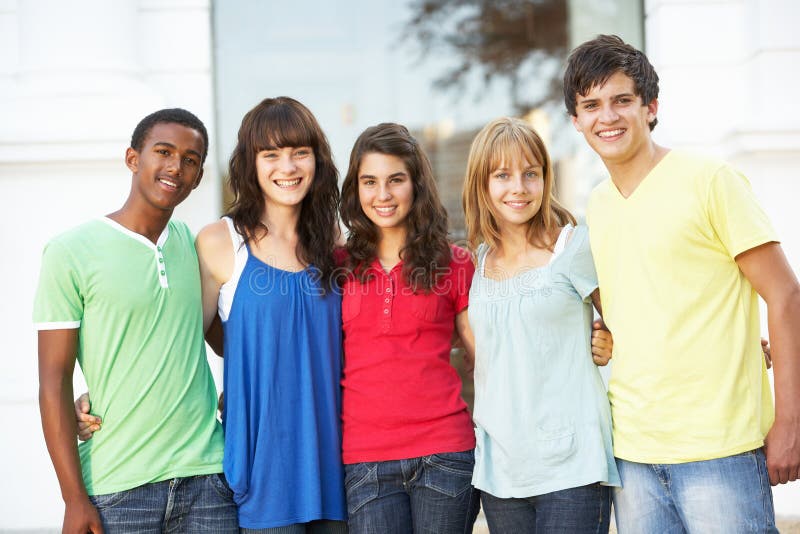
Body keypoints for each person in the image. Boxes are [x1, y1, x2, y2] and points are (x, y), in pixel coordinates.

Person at [564, 34, 800, 532]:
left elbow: (785, 295)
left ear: (650, 107)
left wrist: (790, 421)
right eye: (591, 105)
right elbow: (643, 302)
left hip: (721, 449)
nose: (607, 117)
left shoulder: (711, 180)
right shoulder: (598, 205)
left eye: (621, 100)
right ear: (576, 121)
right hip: (632, 454)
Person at [34, 108, 237, 533]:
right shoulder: (70, 252)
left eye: (191, 159)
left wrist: (244, 391)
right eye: (163, 152)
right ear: (132, 158)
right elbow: (53, 382)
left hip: (207, 480)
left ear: (199, 177)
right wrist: (73, 498)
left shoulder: (192, 244)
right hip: (119, 489)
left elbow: (223, 338)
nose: (175, 167)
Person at [193, 97, 347, 532]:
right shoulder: (220, 242)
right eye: (271, 154)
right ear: (250, 163)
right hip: (264, 471)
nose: (288, 166)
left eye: (300, 152)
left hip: (337, 464)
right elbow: (184, 342)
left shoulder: (334, 242)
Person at [461, 116, 618, 533]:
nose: (519, 188)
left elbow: (633, 318)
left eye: (531, 173)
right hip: (503, 471)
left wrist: (610, 341)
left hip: (572, 466)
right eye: (503, 175)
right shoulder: (477, 262)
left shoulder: (573, 246)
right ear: (483, 184)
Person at [337, 123, 479, 534]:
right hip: (365, 458)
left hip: (445, 454)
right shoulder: (338, 266)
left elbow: (484, 358)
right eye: (370, 182)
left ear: (416, 184)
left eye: (395, 180)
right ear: (356, 189)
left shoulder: (455, 263)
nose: (382, 195)